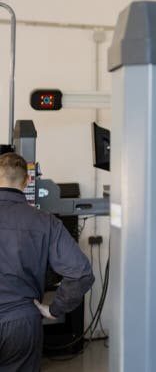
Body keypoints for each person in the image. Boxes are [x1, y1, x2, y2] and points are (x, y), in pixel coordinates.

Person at [0, 152, 94, 372]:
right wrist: (55, 309)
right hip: (21, 324)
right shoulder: (45, 221)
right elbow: (81, 273)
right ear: (27, 181)